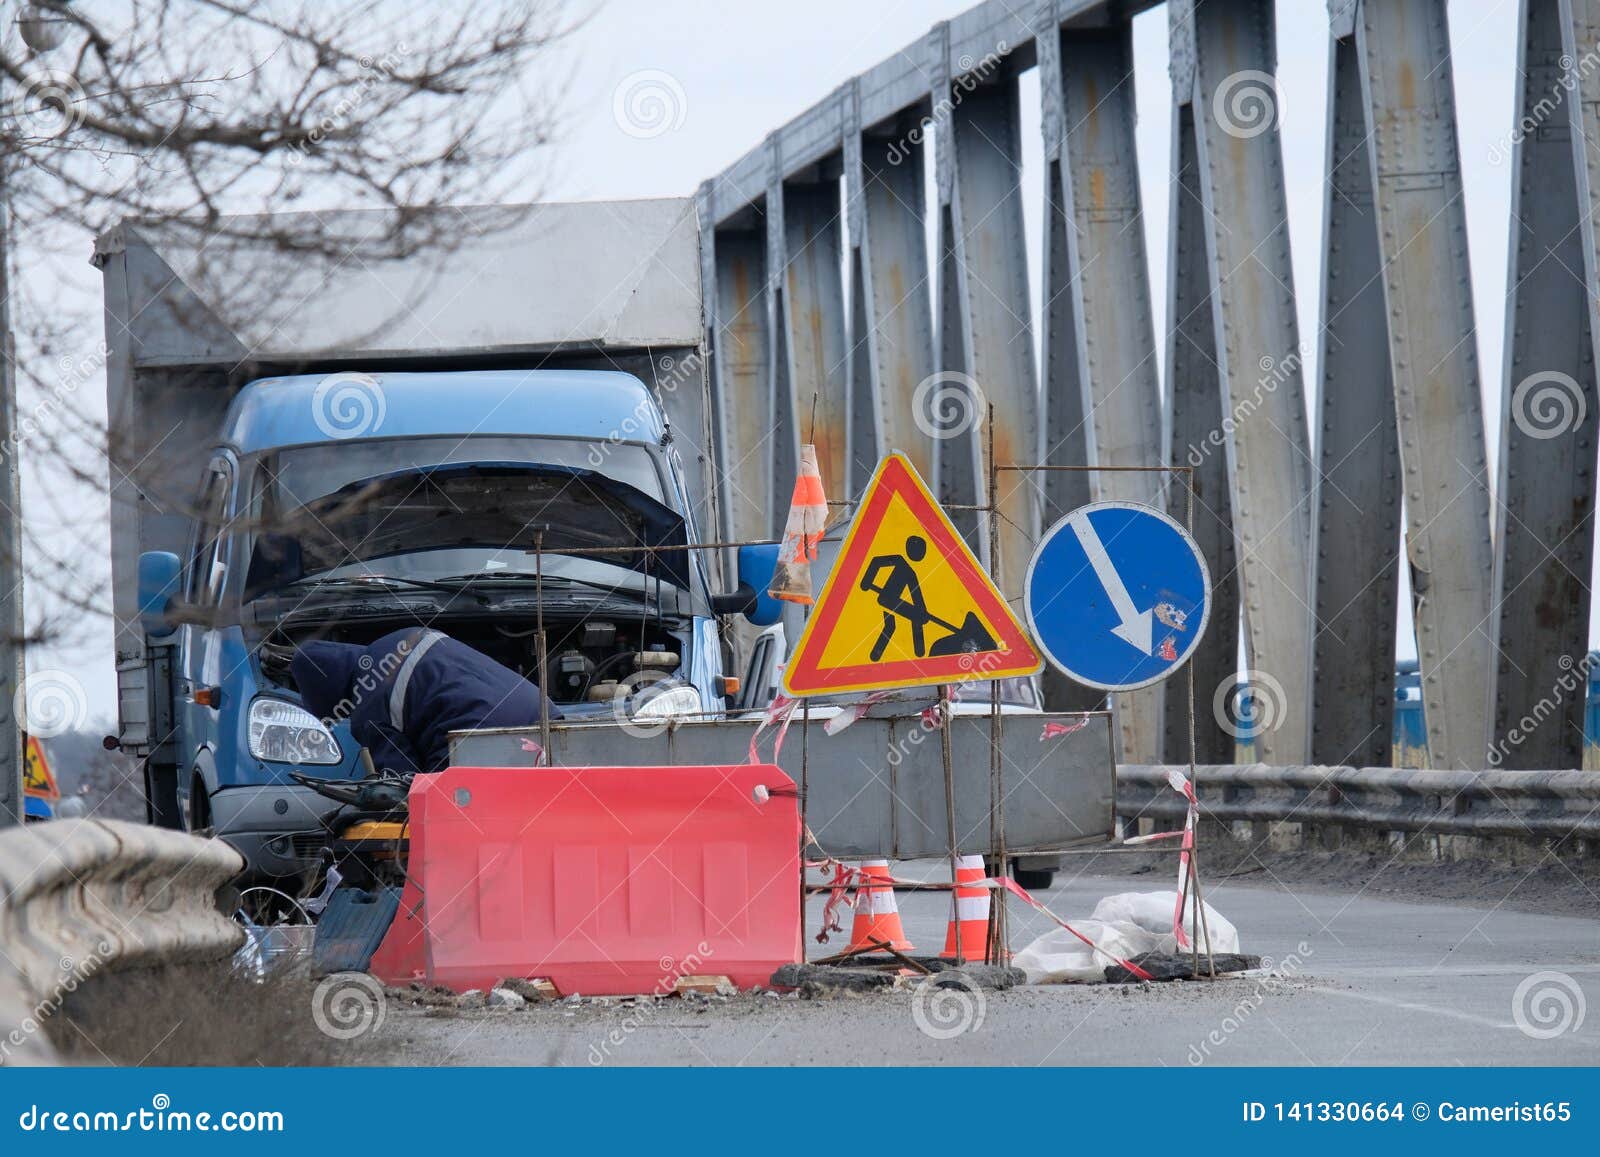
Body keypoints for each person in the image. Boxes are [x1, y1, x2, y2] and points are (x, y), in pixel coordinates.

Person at [291, 627, 561, 777]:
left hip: (476, 744)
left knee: (439, 814)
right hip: (541, 713)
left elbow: (403, 780)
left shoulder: (368, 704)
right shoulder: (407, 636)